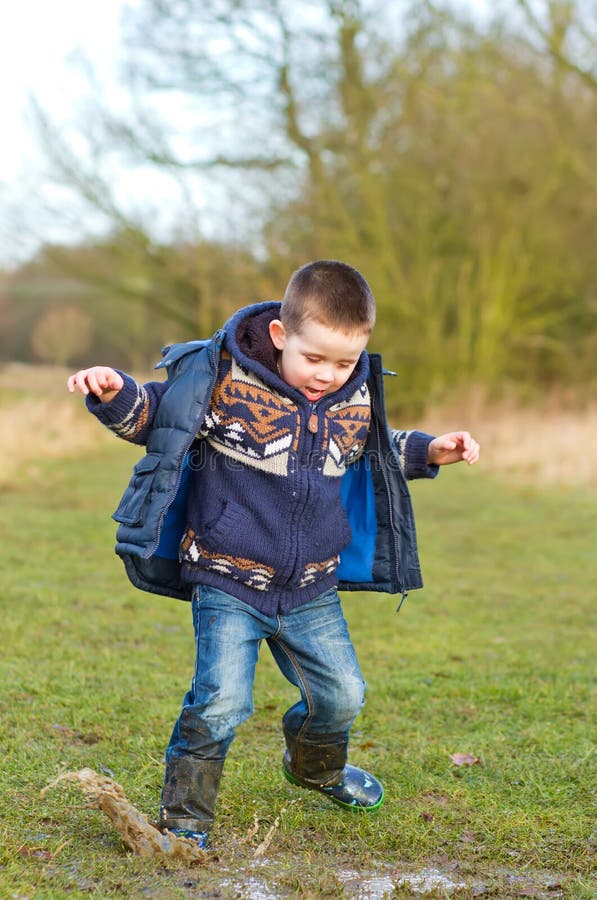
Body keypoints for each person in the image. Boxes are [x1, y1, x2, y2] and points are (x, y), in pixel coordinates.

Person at [67, 259, 479, 850]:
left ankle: (314, 768)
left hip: (312, 587)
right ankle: (184, 824)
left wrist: (432, 450)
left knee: (343, 694)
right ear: (282, 337)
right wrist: (114, 394)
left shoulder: (351, 399)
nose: (328, 376)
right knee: (221, 704)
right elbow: (158, 415)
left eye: (343, 363)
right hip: (227, 579)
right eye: (315, 360)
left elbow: (375, 447)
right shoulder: (225, 383)